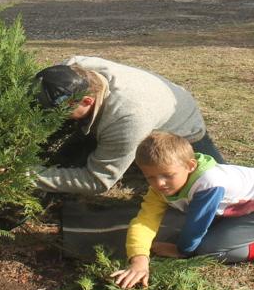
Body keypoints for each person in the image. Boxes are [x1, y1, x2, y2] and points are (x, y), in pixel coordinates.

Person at [110, 131, 254, 289]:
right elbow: (145, 221)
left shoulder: (208, 183)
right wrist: (139, 258)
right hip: (252, 206)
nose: (159, 184)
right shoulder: (163, 186)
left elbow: (196, 226)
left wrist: (183, 251)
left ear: (190, 166)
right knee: (205, 236)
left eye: (167, 176)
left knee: (209, 250)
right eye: (150, 177)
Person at [31, 56, 227, 196]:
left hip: (182, 126)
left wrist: (27, 175)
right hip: (149, 103)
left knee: (217, 186)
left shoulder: (126, 119)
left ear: (87, 101)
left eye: (54, 111)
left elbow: (97, 180)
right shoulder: (70, 70)